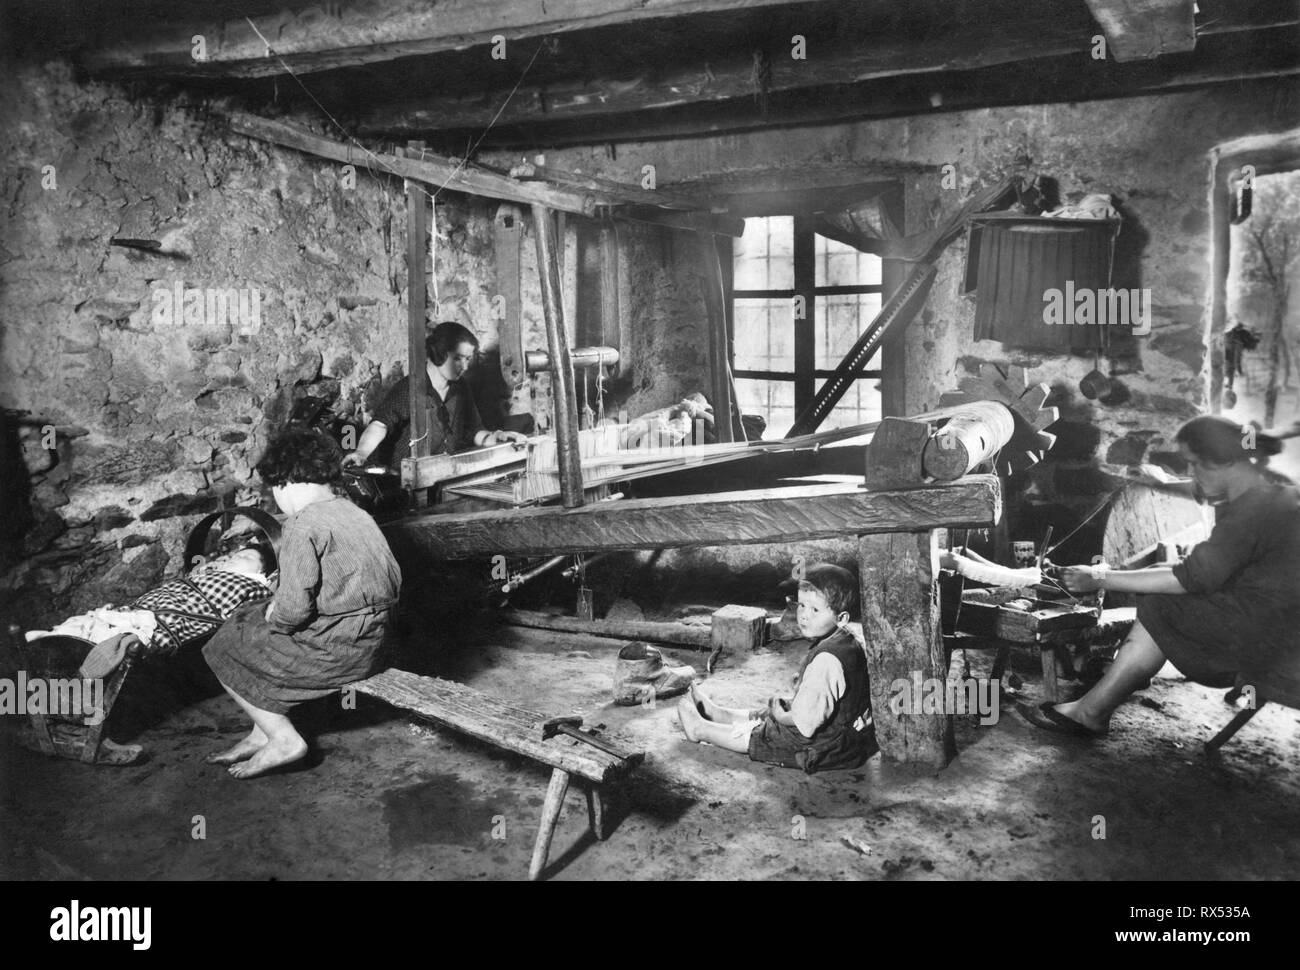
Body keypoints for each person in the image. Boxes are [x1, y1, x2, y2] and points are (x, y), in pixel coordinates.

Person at [1021, 415, 1300, 738]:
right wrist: (1109, 572)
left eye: (1194, 464)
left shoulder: (1251, 511)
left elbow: (1189, 579)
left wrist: (1099, 580)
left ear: (1221, 462)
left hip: (1272, 640)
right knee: (1161, 591)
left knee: (1162, 604)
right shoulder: (1272, 489)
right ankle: (1122, 678)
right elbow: (1195, 569)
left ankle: (1093, 710)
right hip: (1282, 622)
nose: (1191, 473)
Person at [203, 427, 401, 778]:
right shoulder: (354, 512)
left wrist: (272, 611)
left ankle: (282, 739)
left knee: (223, 645)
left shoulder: (301, 525)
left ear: (284, 484)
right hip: (378, 639)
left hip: (340, 651)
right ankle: (259, 731)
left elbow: (292, 614)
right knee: (250, 619)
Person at [677, 563, 877, 773]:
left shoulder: (827, 660)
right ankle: (717, 714)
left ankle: (701, 730)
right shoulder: (848, 640)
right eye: (801, 605)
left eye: (815, 609)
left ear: (842, 618)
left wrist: (782, 717)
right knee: (778, 710)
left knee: (771, 734)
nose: (804, 615)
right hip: (845, 738)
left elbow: (806, 725)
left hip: (825, 747)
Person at [343, 321, 526, 469]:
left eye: (468, 359)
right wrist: (361, 453)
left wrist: (498, 437)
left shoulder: (461, 388)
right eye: (457, 358)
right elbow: (380, 424)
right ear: (439, 353)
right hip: (401, 481)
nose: (465, 366)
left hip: (439, 478)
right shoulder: (411, 388)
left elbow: (475, 432)